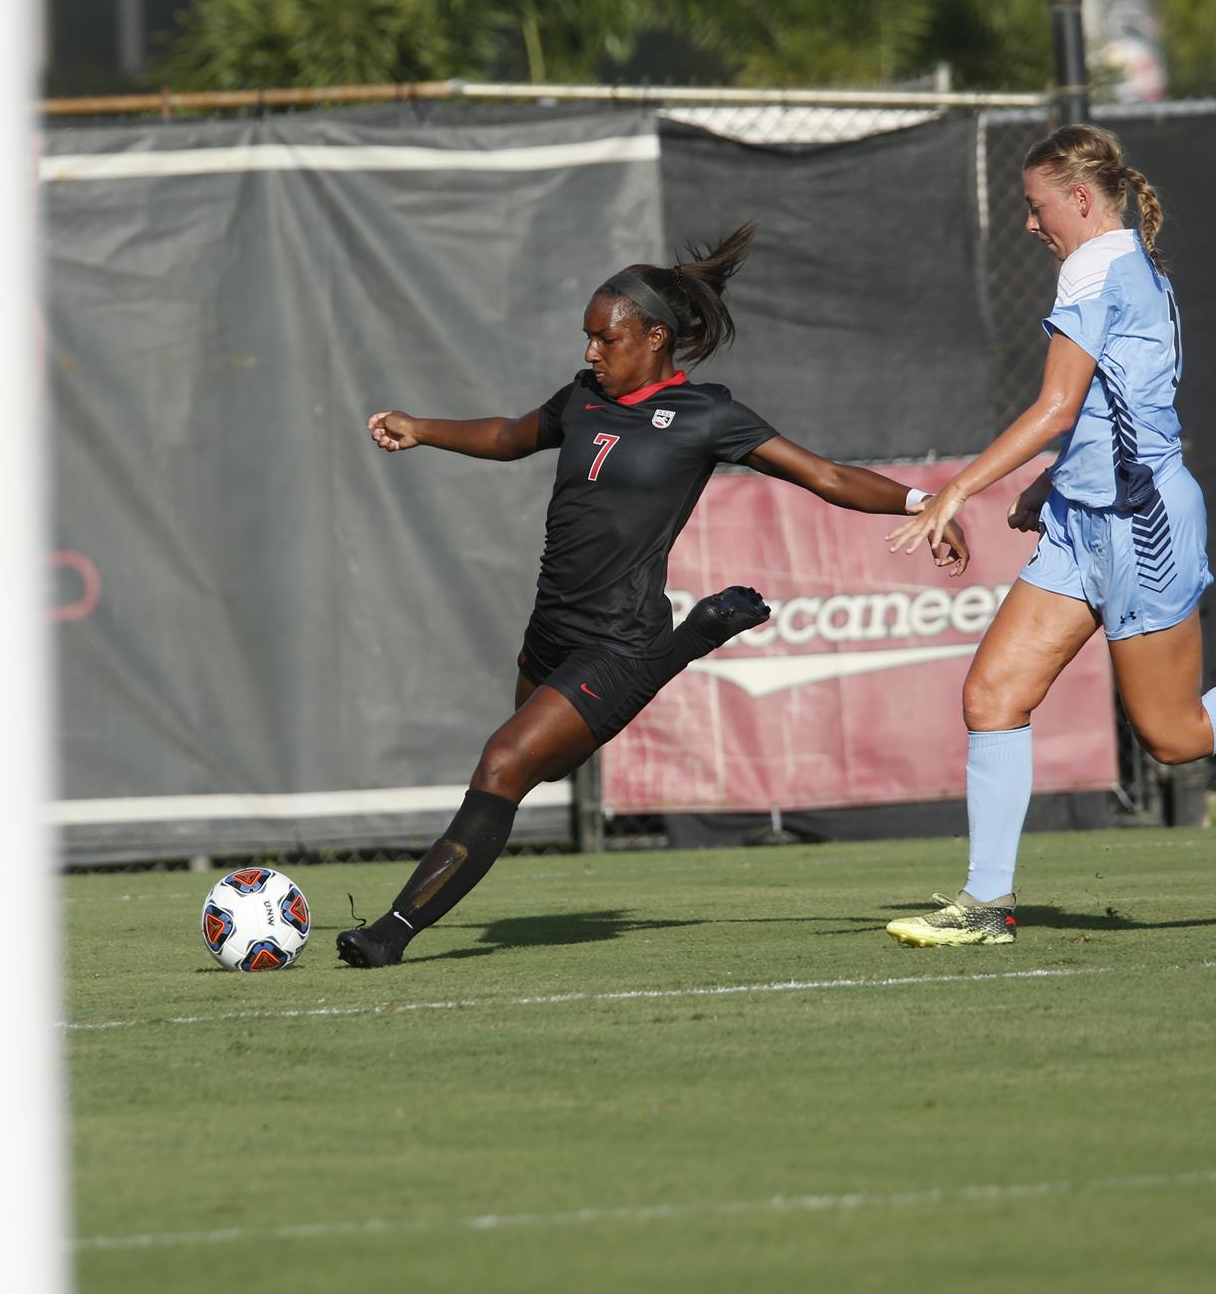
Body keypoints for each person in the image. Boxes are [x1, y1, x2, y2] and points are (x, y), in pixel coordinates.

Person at [336, 223, 972, 968]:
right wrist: (423, 427)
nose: (590, 353)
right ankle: (686, 645)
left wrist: (926, 503)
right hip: (549, 630)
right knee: (543, 768)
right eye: (587, 338)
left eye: (605, 339)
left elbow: (825, 476)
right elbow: (511, 434)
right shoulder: (581, 400)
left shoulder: (705, 414)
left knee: (503, 763)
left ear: (655, 338)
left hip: (617, 638)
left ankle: (392, 932)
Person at [882, 124, 1216, 948]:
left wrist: (959, 489)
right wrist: (1049, 484)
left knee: (1175, 736)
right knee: (993, 695)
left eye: (1036, 208)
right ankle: (986, 906)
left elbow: (1059, 408)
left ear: (1078, 199)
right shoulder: (1117, 264)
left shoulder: (1095, 266)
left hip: (1145, 526)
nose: (1029, 224)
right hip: (1082, 522)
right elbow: (1113, 405)